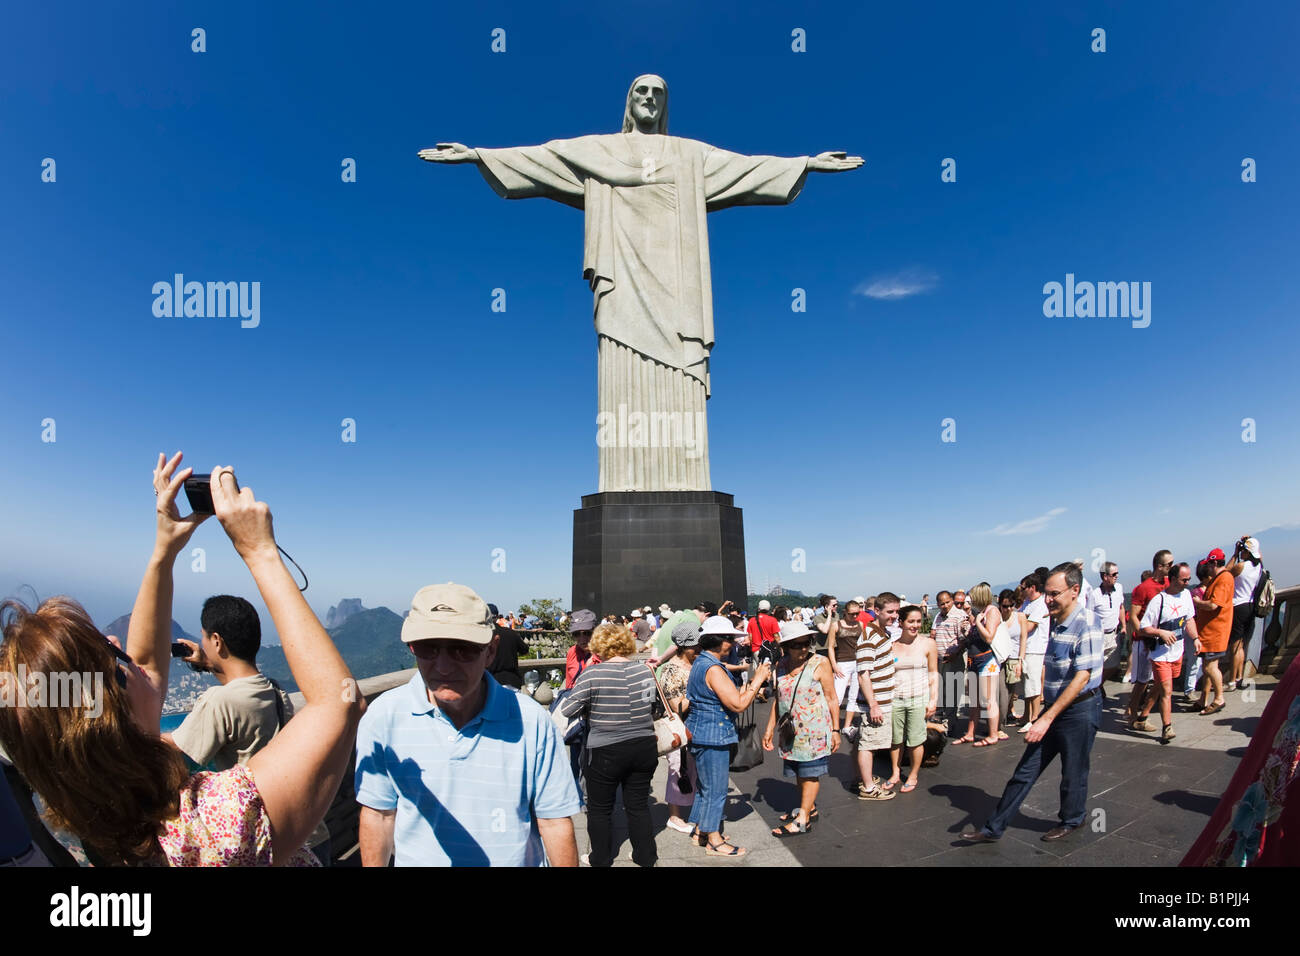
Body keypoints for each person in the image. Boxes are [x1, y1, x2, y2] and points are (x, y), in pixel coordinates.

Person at [0, 453, 362, 866]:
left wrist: (165, 549)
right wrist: (259, 550)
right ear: (113, 717)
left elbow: (143, 667)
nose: (116, 639)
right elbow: (340, 701)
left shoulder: (94, 816)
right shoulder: (215, 828)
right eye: (108, 651)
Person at [356, 582, 581, 866]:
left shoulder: (532, 721)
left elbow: (554, 820)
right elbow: (378, 814)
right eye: (427, 648)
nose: (443, 666)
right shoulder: (383, 717)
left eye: (462, 649)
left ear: (490, 651)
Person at [164, 594, 333, 863]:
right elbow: (242, 689)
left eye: (204, 638)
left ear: (217, 641)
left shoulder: (218, 701)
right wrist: (208, 662)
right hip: (312, 833)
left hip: (274, 841)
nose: (202, 644)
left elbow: (175, 747)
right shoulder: (275, 690)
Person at [962, 563, 1104, 844]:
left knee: (1073, 771)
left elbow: (1082, 677)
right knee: (1025, 771)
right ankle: (993, 828)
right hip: (1054, 708)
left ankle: (1073, 819)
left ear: (1075, 590)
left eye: (1054, 594)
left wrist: (1045, 718)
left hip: (1079, 709)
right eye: (1047, 593)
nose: (1048, 599)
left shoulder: (1086, 621)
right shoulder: (1056, 618)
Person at [560, 622, 658, 867]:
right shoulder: (644, 671)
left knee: (599, 808)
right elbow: (652, 707)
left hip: (605, 748)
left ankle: (601, 857)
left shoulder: (593, 674)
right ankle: (645, 855)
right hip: (643, 745)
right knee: (638, 805)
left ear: (599, 645)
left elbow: (568, 709)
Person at [684, 616, 772, 857]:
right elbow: (737, 705)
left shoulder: (701, 663)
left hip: (701, 732)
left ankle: (701, 830)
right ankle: (714, 840)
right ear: (719, 641)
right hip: (713, 735)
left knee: (705, 786)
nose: (733, 644)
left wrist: (749, 685)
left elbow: (727, 697)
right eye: (730, 639)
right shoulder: (713, 668)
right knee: (716, 789)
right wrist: (758, 680)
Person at [762, 621, 838, 835]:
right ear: (786, 646)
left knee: (810, 773)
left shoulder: (820, 663)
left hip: (815, 730)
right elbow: (779, 700)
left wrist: (836, 730)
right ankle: (809, 807)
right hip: (791, 731)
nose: (803, 648)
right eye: (797, 645)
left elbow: (832, 698)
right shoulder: (781, 665)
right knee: (798, 770)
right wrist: (769, 729)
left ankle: (802, 819)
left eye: (807, 643)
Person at [1135, 563, 1200, 744]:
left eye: (1189, 579)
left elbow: (1189, 620)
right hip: (1160, 654)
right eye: (1184, 579)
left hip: (1176, 652)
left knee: (1159, 686)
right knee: (1167, 690)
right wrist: (1161, 632)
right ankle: (1167, 728)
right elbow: (1143, 627)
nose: (1187, 583)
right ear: (1172, 579)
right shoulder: (1159, 601)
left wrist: (1195, 638)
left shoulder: (1186, 595)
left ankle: (1142, 718)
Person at [886, 606, 937, 792]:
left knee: (915, 739)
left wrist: (933, 700)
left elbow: (933, 673)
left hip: (918, 698)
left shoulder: (928, 644)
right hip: (896, 699)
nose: (915, 625)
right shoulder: (892, 646)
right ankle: (895, 772)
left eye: (918, 621)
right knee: (895, 739)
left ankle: (913, 774)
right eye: (911, 621)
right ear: (901, 623)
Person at [854, 592, 899, 801]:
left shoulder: (882, 632)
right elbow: (863, 674)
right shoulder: (869, 636)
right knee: (869, 744)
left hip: (881, 699)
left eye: (896, 611)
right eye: (890, 612)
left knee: (865, 742)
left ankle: (862, 777)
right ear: (877, 611)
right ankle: (869, 788)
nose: (894, 616)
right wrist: (873, 704)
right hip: (875, 702)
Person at [658, 619, 701, 833]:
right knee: (678, 770)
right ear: (684, 646)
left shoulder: (694, 663)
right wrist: (699, 687)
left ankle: (694, 812)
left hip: (695, 726)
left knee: (693, 771)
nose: (699, 648)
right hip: (679, 728)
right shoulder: (671, 670)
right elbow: (678, 706)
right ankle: (674, 816)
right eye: (696, 645)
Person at [1128, 550, 1172, 730]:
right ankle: (1132, 714)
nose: (1172, 567)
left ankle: (1143, 714)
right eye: (1169, 564)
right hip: (1145, 641)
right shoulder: (1143, 588)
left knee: (1159, 681)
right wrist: (1143, 635)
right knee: (1142, 681)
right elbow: (1133, 616)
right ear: (1159, 566)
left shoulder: (1169, 584)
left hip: (1161, 640)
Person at [956, 585, 1004, 747]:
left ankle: (993, 734)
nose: (969, 601)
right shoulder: (980, 612)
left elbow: (989, 637)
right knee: (974, 700)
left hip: (987, 660)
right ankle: (970, 733)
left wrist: (977, 622)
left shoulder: (992, 612)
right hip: (974, 659)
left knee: (988, 699)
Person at [1192, 549, 1234, 715]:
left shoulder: (1223, 579)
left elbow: (1213, 605)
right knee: (1207, 666)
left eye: (1209, 564)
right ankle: (1203, 699)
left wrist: (1197, 602)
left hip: (1215, 631)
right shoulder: (1220, 577)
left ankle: (1219, 698)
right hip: (1209, 631)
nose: (1207, 568)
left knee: (1210, 667)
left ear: (1214, 563)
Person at [1226, 536, 1264, 691]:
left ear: (1247, 551)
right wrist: (1250, 542)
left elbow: (1225, 573)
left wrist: (1235, 553)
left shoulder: (1241, 566)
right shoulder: (1259, 566)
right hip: (1250, 606)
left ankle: (1231, 681)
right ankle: (1239, 677)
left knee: (1235, 646)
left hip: (1238, 607)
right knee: (1241, 645)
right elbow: (1260, 556)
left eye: (1244, 550)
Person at [826, 599, 865, 743]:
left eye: (857, 614)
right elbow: (830, 647)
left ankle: (847, 726)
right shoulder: (836, 625)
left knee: (853, 696)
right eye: (851, 614)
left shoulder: (860, 625)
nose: (854, 616)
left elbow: (863, 644)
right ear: (845, 613)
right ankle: (831, 725)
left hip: (858, 662)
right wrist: (834, 665)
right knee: (837, 696)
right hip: (842, 662)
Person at [930, 591, 969, 732]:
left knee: (952, 691)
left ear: (952, 601)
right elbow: (933, 635)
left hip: (954, 660)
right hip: (940, 660)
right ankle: (945, 719)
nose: (945, 605)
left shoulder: (959, 616)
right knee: (942, 692)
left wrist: (955, 653)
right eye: (942, 604)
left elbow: (964, 640)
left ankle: (950, 722)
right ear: (938, 604)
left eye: (947, 602)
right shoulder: (938, 616)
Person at [1018, 572, 1051, 732]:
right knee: (1026, 686)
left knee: (1033, 684)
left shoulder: (1040, 604)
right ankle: (1026, 715)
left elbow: (1029, 626)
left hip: (1035, 649)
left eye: (1024, 588)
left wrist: (1020, 621)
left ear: (1032, 587)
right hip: (1025, 648)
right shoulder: (1027, 603)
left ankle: (1034, 717)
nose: (1022, 591)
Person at [1086, 562, 1126, 682]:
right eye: (1114, 574)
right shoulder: (1095, 595)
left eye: (1117, 573)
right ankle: (1095, 687)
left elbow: (1121, 607)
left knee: (1113, 665)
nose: (1116, 576)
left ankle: (1097, 686)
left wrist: (1124, 626)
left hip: (1114, 634)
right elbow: (1089, 616)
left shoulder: (1119, 588)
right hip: (1099, 636)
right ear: (1105, 576)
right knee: (1096, 667)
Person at [998, 590, 1029, 725]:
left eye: (1012, 605)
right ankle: (1000, 718)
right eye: (1005, 606)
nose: (1009, 609)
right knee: (1000, 691)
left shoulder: (1020, 617)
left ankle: (1005, 715)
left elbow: (1023, 639)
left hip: (1014, 658)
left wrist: (1021, 660)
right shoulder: (997, 617)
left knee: (1011, 690)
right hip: (999, 658)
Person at [747, 599, 782, 664]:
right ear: (768, 609)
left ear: (759, 608)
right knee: (770, 668)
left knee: (759, 668)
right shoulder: (772, 620)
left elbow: (750, 637)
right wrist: (780, 648)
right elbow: (776, 636)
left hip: (756, 649)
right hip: (769, 649)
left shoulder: (752, 620)